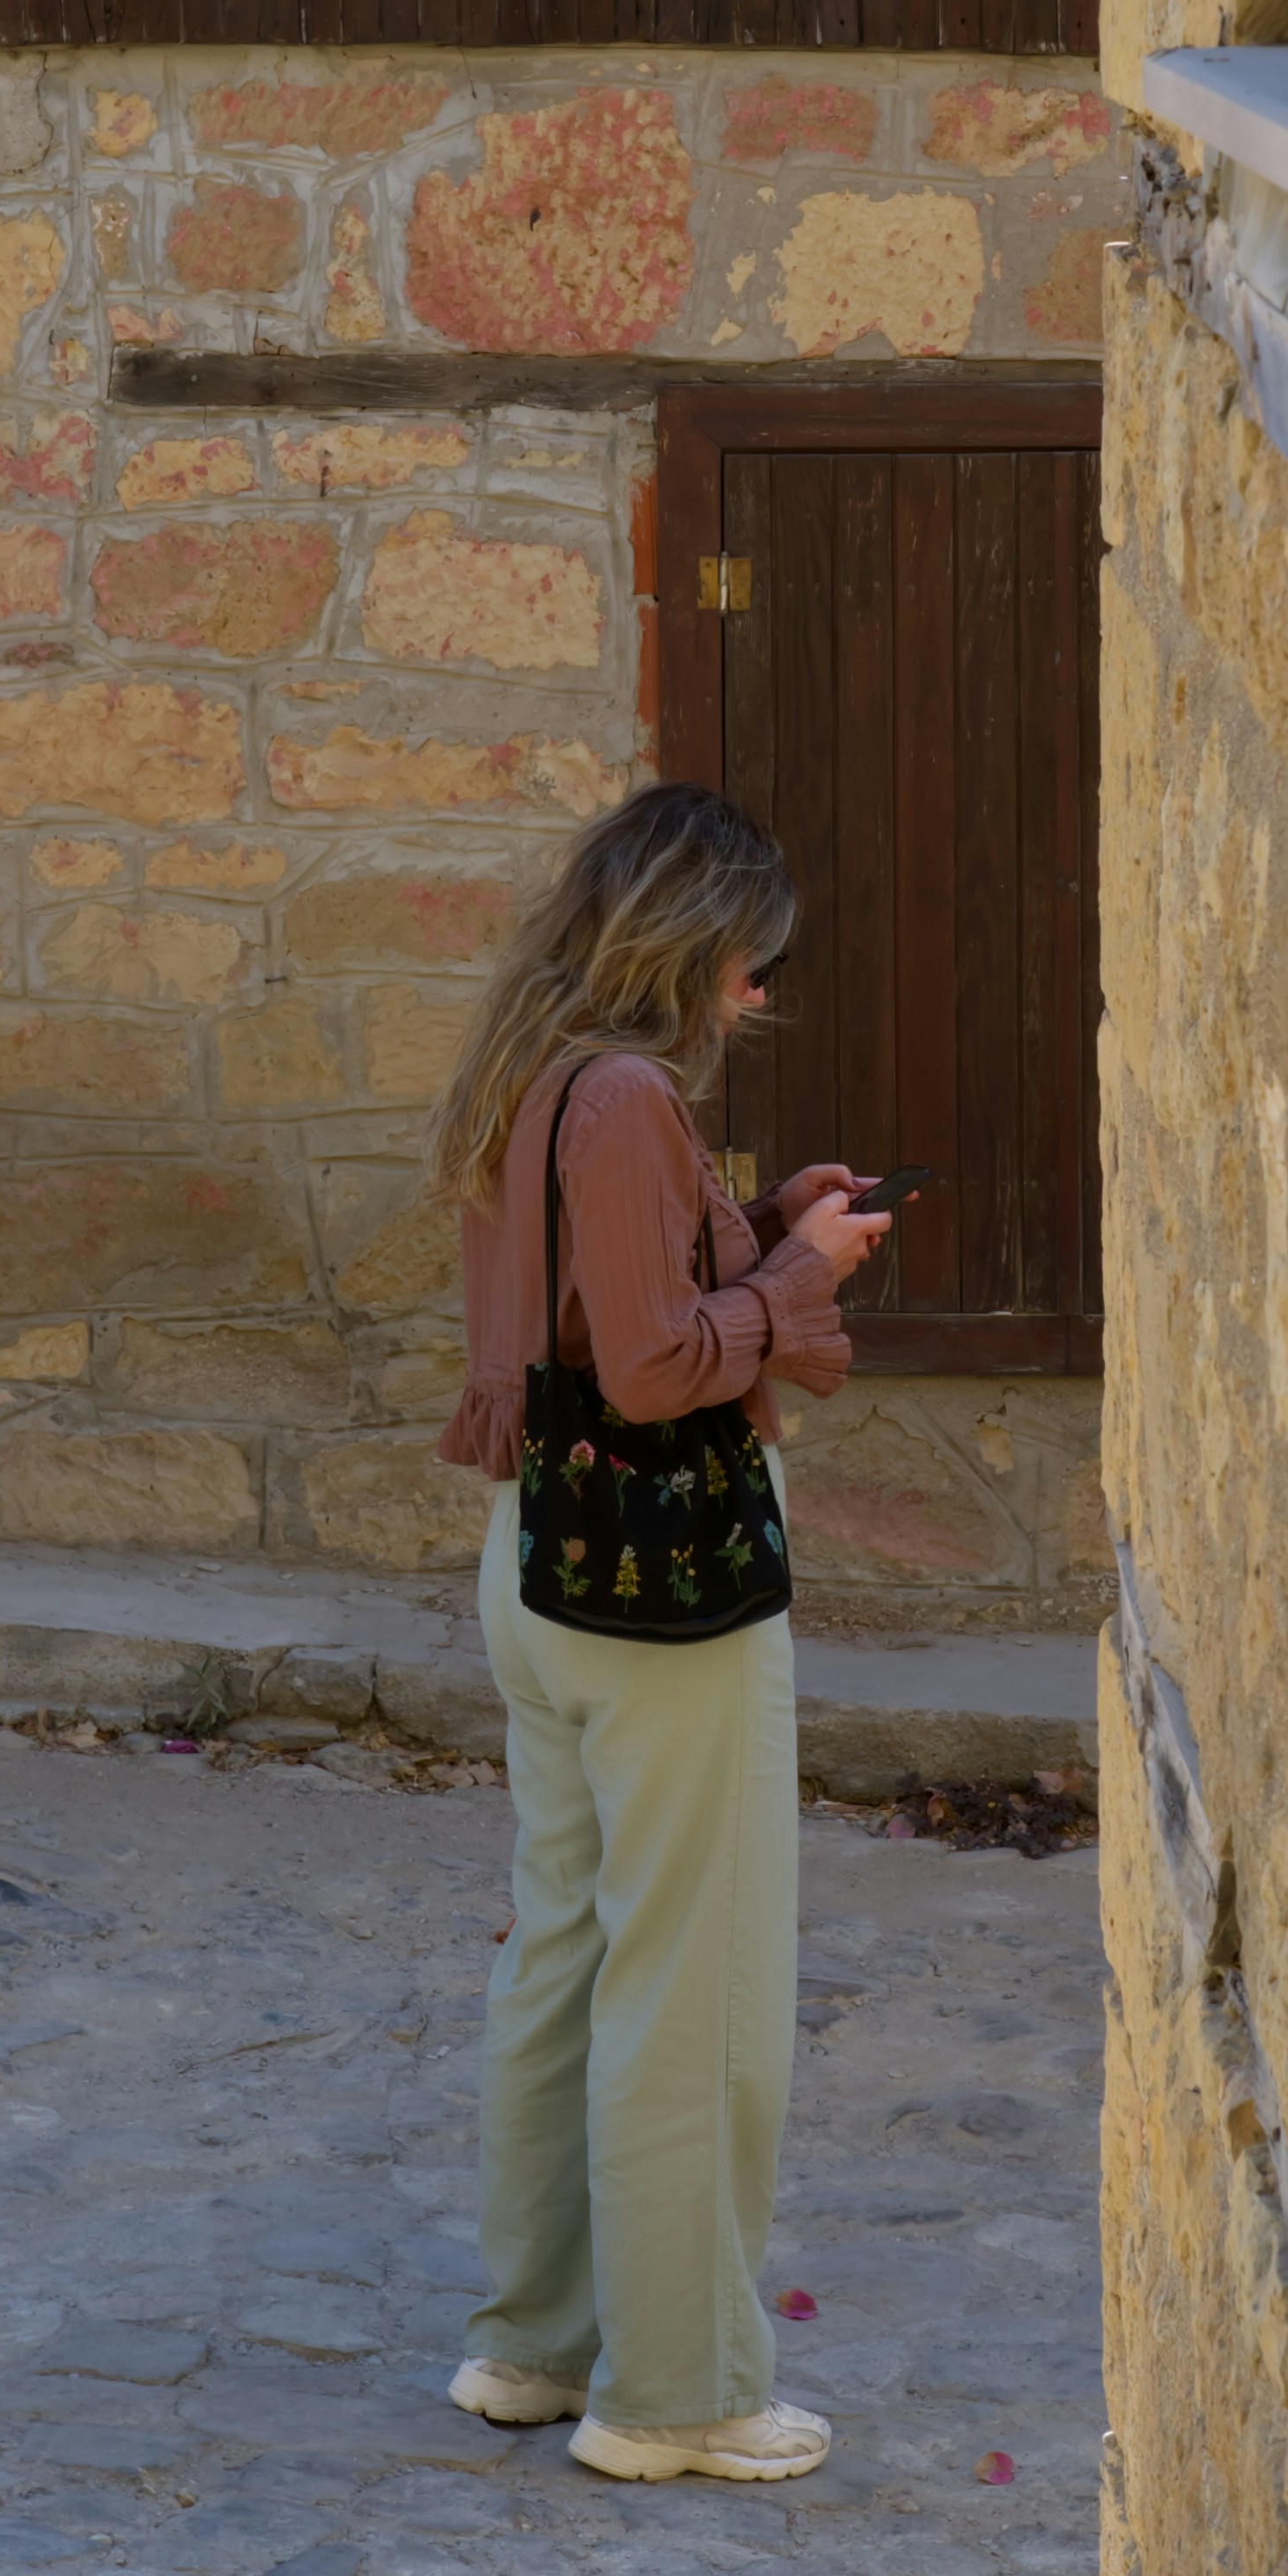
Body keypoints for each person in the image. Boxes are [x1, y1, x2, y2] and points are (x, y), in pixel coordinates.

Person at [428, 785, 888, 2485]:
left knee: (564, 1956)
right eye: (751, 967)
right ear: (691, 949)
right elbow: (651, 1364)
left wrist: (769, 1238)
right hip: (660, 1586)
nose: (756, 1000)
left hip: (543, 1553)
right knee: (692, 1985)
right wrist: (798, 1282)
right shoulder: (625, 1099)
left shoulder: (530, 1077)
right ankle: (678, 2390)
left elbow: (595, 1320)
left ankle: (536, 2345)